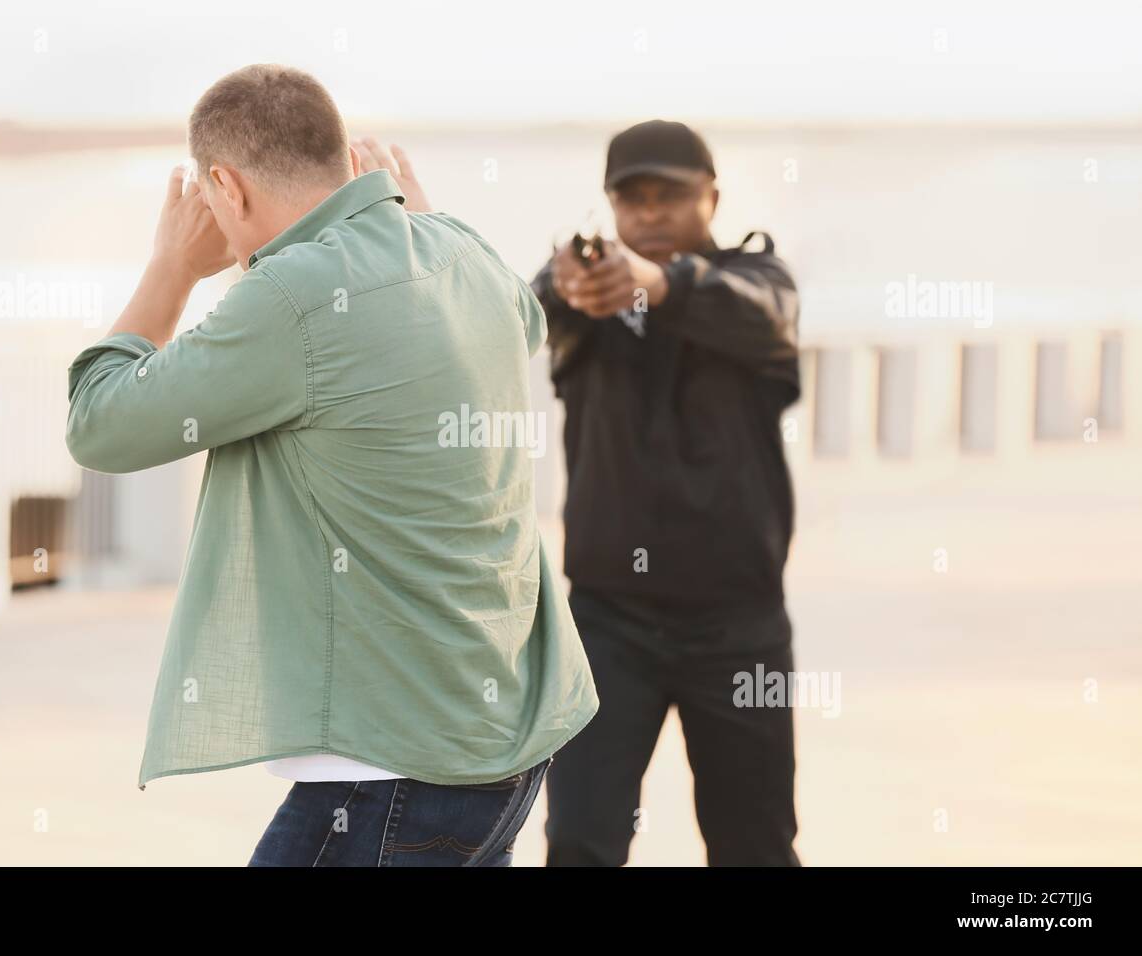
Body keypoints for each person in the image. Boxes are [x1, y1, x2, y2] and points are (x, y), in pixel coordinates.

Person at [64, 64, 598, 867]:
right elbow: (520, 321)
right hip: (507, 742)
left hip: (389, 771)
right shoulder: (458, 250)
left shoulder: (291, 296)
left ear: (224, 186)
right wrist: (417, 222)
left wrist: (172, 268)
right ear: (348, 162)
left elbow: (101, 426)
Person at [530, 120, 802, 866]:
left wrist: (658, 284)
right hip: (608, 623)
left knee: (756, 844)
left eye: (670, 196)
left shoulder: (757, 282)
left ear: (712, 196)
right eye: (633, 198)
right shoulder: (584, 302)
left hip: (741, 627)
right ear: (610, 206)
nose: (650, 213)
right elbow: (527, 312)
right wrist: (566, 282)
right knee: (580, 842)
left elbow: (764, 312)